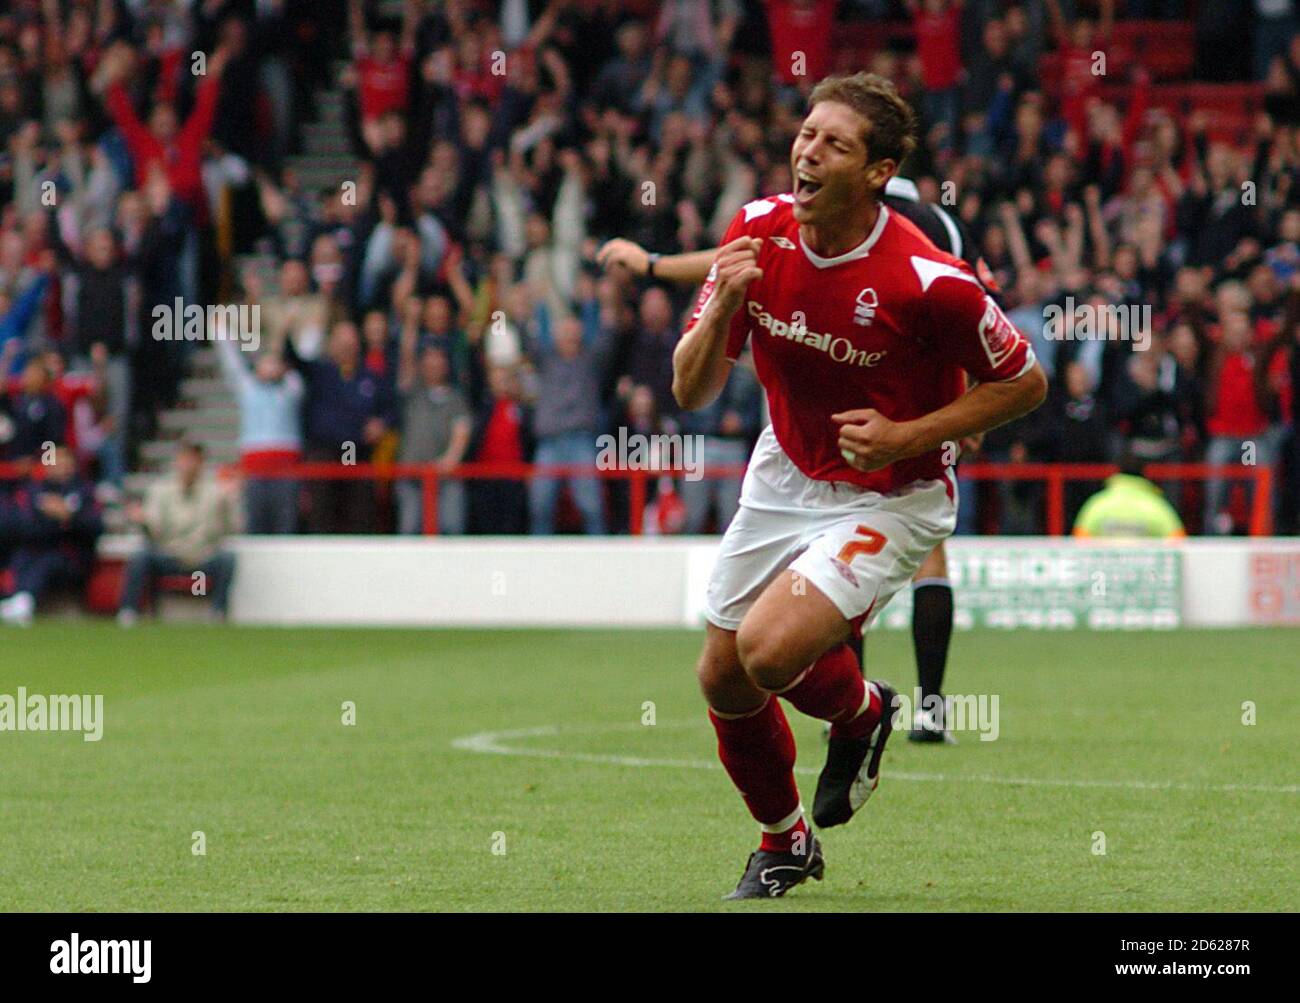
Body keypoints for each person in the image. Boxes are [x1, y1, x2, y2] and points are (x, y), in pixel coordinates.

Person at [669, 73, 1046, 898]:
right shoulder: (756, 233)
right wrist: (721, 304)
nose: (808, 151)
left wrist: (907, 436)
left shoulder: (928, 277)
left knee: (766, 651)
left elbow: (1024, 383)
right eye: (807, 134)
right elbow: (689, 389)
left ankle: (864, 712)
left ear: (876, 172)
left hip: (893, 490)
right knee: (720, 676)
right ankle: (785, 841)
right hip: (787, 466)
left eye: (834, 144)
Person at [598, 175, 987, 742]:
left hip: (885, 425)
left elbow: (969, 309)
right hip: (852, 421)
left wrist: (654, 264)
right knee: (890, 568)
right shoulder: (911, 221)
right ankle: (920, 708)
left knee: (840, 573)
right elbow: (978, 301)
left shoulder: (898, 234)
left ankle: (866, 707)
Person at [118, 442, 237, 624]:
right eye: (184, 459)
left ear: (201, 462)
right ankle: (128, 612)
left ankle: (217, 613)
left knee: (227, 559)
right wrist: (142, 520)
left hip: (203, 557)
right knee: (141, 556)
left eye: (193, 459)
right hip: (169, 555)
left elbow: (231, 528)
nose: (188, 464)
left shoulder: (217, 491)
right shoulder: (160, 489)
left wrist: (230, 503)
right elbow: (155, 530)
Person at [0, 447, 103, 626]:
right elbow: (21, 526)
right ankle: (15, 599)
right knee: (21, 558)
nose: (61, 465)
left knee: (48, 560)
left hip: (73, 556)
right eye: (55, 461)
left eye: (65, 461)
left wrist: (68, 518)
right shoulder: (34, 491)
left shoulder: (85, 491)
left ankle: (23, 601)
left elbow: (96, 527)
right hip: (36, 550)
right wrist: (49, 521)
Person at [215, 334, 304, 535]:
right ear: (257, 367)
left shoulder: (291, 388)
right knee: (255, 521)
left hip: (285, 465)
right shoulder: (247, 388)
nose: (271, 368)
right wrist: (220, 333)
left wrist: (291, 331)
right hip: (254, 466)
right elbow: (232, 365)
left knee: (286, 521)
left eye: (275, 363)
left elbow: (303, 354)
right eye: (266, 363)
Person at [1073, 452, 1186, 539]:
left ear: (1117, 472)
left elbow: (1080, 539)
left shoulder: (1098, 504)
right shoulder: (1156, 506)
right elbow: (1177, 540)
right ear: (1145, 475)